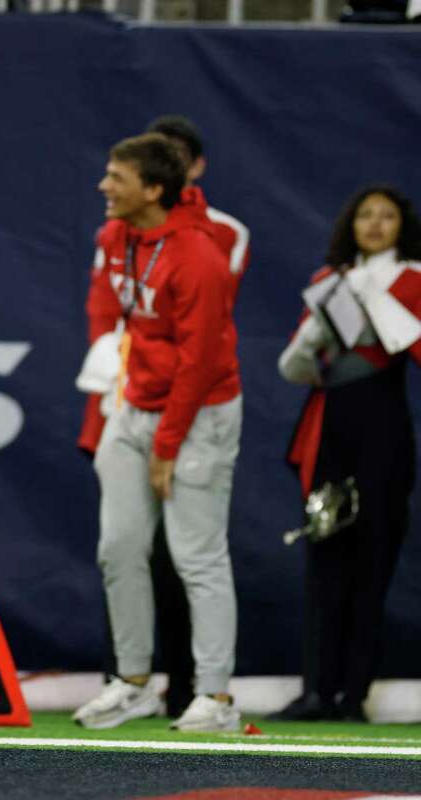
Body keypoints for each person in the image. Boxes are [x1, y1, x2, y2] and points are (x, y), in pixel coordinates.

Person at [79, 115, 250, 720]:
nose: (104, 185)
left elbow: (201, 361)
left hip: (199, 411)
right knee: (118, 547)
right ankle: (132, 681)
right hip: (136, 403)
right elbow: (105, 304)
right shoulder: (114, 237)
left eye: (116, 177)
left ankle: (218, 694)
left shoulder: (199, 256)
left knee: (196, 554)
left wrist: (168, 445)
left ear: (153, 189)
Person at [273, 185, 421, 722]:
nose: (376, 224)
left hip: (383, 429)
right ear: (350, 223)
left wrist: (376, 301)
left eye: (388, 215)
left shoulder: (413, 280)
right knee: (324, 553)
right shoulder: (326, 281)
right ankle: (317, 690)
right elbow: (295, 367)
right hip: (329, 427)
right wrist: (311, 342)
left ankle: (353, 694)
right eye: (366, 215)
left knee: (373, 556)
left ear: (402, 225)